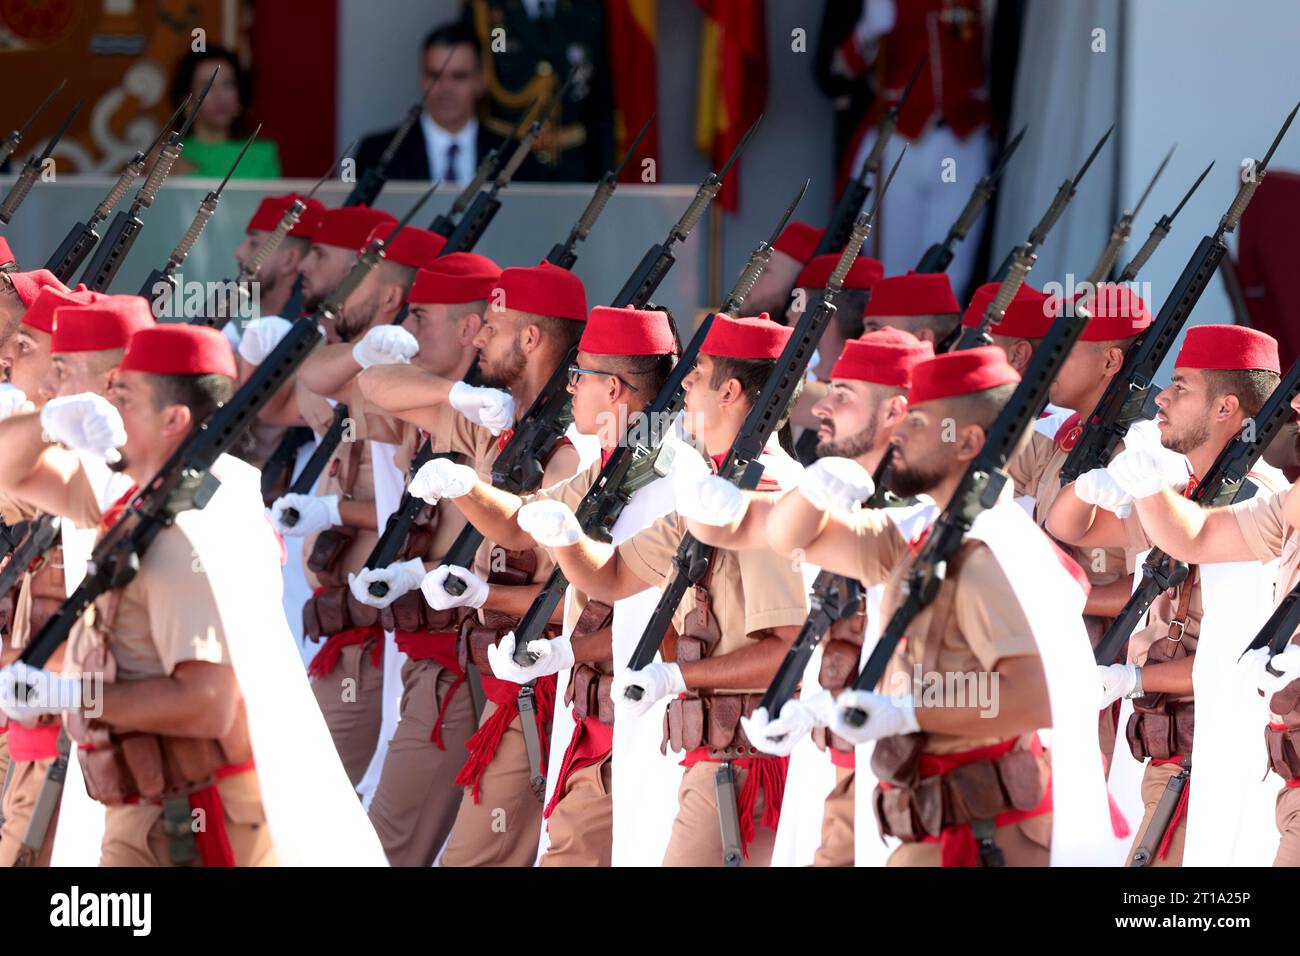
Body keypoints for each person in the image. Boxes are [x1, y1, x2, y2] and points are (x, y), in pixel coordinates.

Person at [758, 346, 1113, 865]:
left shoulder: (991, 549)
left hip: (978, 833)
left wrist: (904, 711)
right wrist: (818, 487)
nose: (897, 434)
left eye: (918, 422)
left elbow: (1036, 695)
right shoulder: (923, 535)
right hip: (931, 827)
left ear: (968, 441)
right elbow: (790, 537)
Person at [385, 303, 678, 866]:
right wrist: (465, 486)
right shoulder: (621, 466)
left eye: (580, 376)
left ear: (614, 389)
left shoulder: (670, 479)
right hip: (593, 717)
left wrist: (559, 646)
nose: (571, 390)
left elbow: (629, 602)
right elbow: (519, 522)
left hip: (639, 725)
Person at [512, 314, 811, 866]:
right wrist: (568, 540)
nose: (685, 386)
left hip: (748, 765)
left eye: (696, 374)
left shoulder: (770, 498)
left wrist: (677, 675)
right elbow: (613, 577)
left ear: (730, 391)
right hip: (707, 755)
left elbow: (789, 654)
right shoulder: (711, 495)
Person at [358, 260, 589, 866]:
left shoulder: (575, 449)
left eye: (494, 323)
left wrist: (476, 594)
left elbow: (570, 591)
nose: (479, 335)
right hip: (479, 672)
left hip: (529, 683)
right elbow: (373, 385)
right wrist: (452, 393)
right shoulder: (485, 412)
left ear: (532, 337)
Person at [680, 327, 935, 867]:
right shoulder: (847, 502)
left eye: (844, 394)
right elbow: (752, 527)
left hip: (916, 783)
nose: (824, 405)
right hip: (839, 764)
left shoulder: (934, 519)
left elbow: (1022, 688)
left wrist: (896, 712)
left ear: (897, 410)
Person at [1048, 324, 1287, 867]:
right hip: (1160, 743)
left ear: (1226, 408)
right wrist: (1087, 486)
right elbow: (1072, 528)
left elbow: (1230, 666)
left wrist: (1133, 678)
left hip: (1207, 751)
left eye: (1181, 387)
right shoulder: (1183, 494)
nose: (1161, 396)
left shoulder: (1257, 507)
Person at [0, 294, 148, 867]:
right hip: (42, 726)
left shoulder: (207, 487)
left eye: (62, 368)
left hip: (98, 745)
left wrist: (63, 687)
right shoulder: (73, 469)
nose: (45, 384)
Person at [837, 0, 992, 296]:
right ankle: (893, 340)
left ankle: (937, 340)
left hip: (963, 139)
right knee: (893, 268)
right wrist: (867, 31)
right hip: (900, 138)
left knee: (950, 274)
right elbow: (843, 67)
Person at [462, 0, 615, 182]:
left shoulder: (586, 7)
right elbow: (471, 97)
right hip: (508, 165)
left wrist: (606, 173)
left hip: (574, 166)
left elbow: (601, 105)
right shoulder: (486, 9)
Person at [355, 21, 504, 185]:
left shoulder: (512, 156)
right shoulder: (376, 153)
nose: (446, 88)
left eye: (459, 76)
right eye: (435, 76)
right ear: (422, 78)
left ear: (482, 80)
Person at [168, 46, 281, 179]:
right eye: (208, 87)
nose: (220, 97)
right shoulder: (167, 156)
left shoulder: (263, 155)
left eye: (228, 85)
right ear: (188, 101)